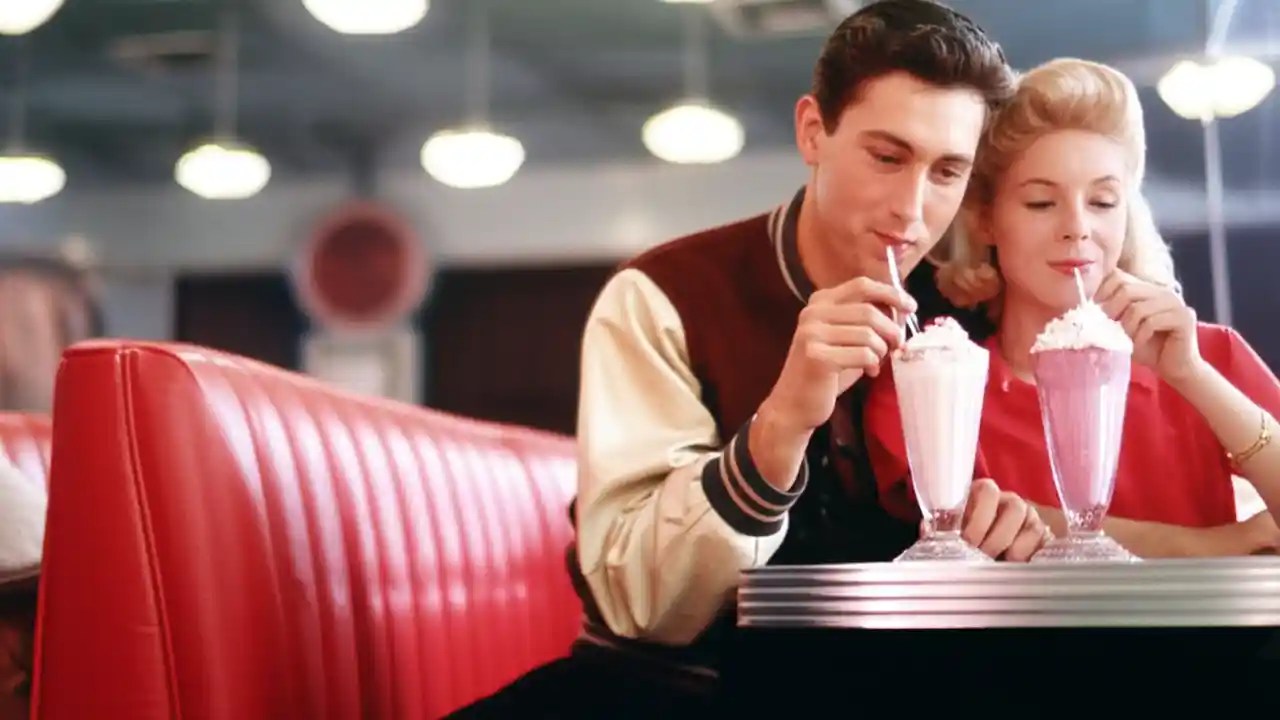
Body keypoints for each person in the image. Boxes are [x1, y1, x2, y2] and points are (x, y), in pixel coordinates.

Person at [449, 1, 1051, 717]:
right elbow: (641, 605)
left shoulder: (967, 311)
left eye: (947, 171)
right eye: (887, 157)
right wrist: (782, 423)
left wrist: (1016, 531)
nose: (912, 209)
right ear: (813, 132)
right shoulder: (666, 297)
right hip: (669, 691)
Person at [865, 57, 1280, 559]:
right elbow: (970, 527)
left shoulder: (1208, 355)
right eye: (1041, 203)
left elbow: (1042, 530)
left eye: (1103, 202)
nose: (1077, 227)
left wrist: (1192, 375)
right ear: (984, 221)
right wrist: (1220, 545)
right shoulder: (936, 379)